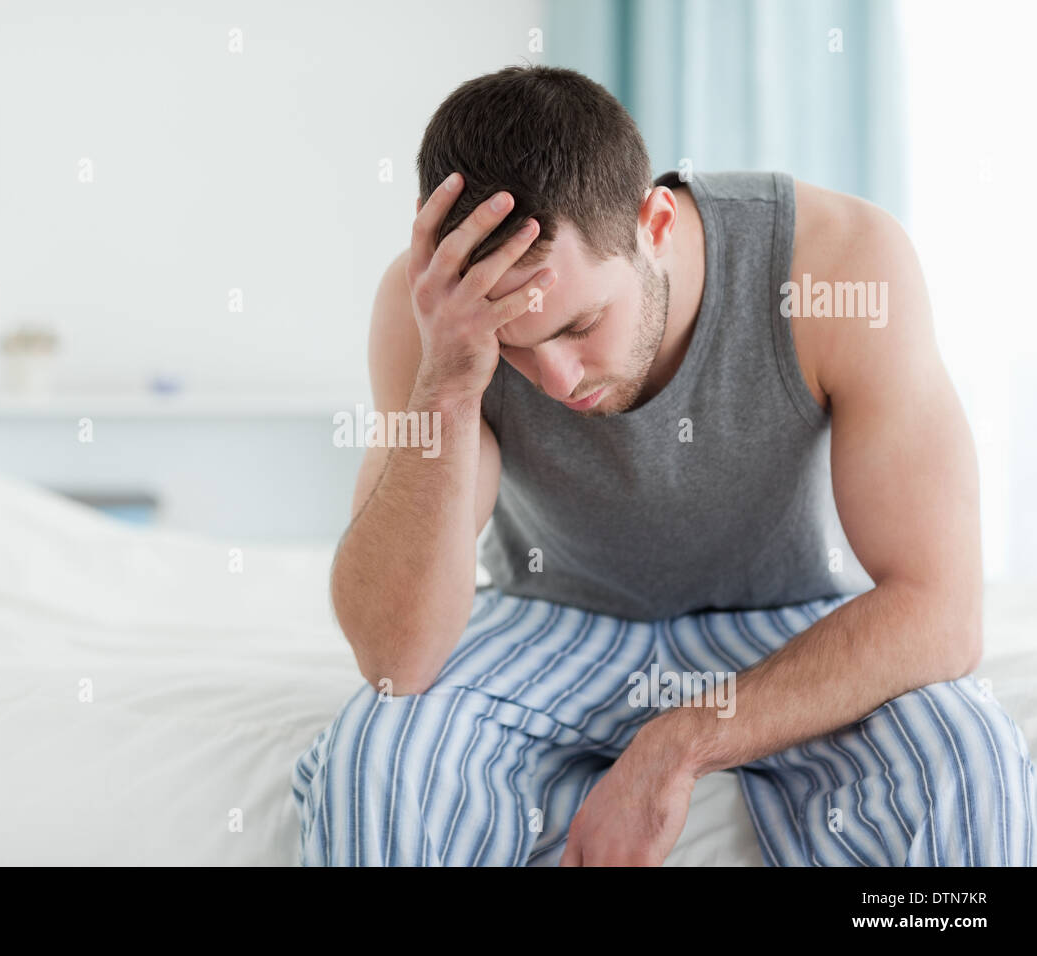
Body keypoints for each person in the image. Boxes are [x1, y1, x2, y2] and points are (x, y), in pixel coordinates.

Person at [292, 65, 1036, 866]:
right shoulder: (434, 319)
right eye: (514, 346)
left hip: (793, 625)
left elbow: (940, 609)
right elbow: (396, 658)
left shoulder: (843, 262)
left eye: (581, 324)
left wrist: (679, 743)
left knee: (971, 757)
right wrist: (448, 377)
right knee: (375, 757)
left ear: (654, 222)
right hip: (554, 620)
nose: (557, 380)